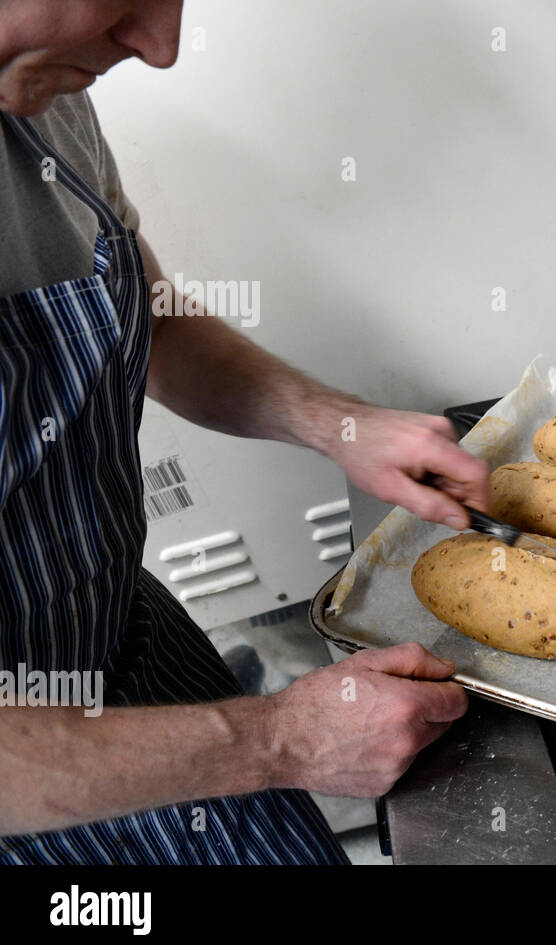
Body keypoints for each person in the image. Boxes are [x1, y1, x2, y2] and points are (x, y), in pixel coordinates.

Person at [0, 0, 490, 863]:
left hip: (120, 641)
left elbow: (156, 323)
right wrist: (280, 741)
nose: (161, 46)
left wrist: (341, 427)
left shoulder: (41, 92)